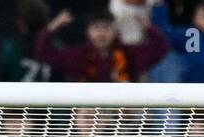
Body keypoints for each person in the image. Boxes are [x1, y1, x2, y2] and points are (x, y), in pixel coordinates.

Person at [34, 6, 167, 83]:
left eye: (106, 28)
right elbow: (42, 52)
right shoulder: (76, 55)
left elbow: (161, 48)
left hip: (121, 118)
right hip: (89, 114)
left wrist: (148, 27)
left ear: (115, 32)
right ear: (88, 32)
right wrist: (54, 26)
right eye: (96, 28)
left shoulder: (129, 53)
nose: (101, 33)